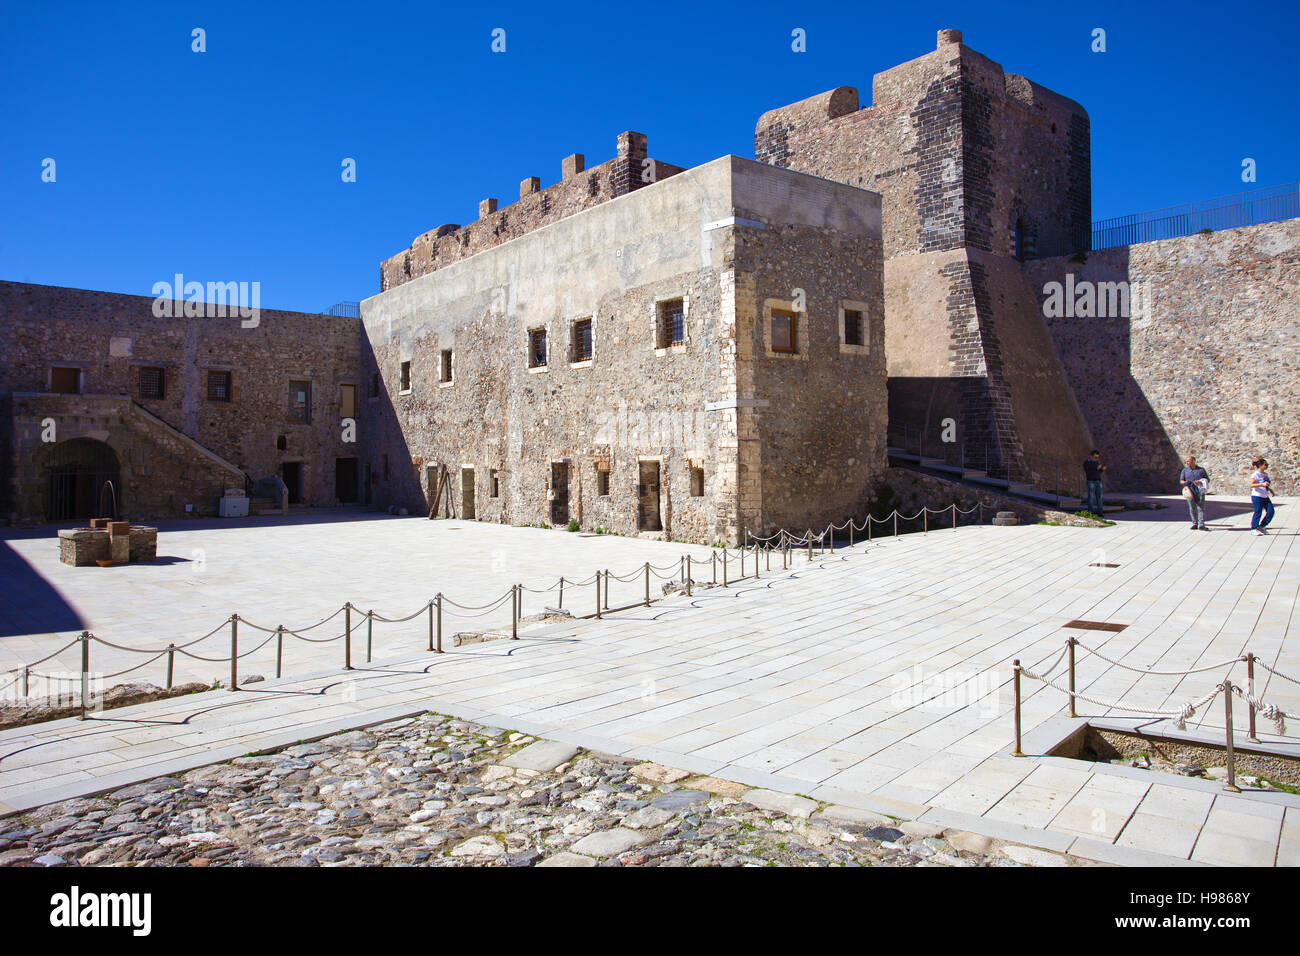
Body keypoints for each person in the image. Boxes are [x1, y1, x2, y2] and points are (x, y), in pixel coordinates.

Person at [1179, 455, 1210, 530]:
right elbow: (1181, 481)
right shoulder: (1185, 470)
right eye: (1186, 461)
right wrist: (1187, 482)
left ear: (1193, 461)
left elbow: (1207, 479)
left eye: (1188, 461)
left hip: (1200, 491)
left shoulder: (1201, 470)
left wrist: (1199, 481)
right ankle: (1195, 523)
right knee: (1192, 508)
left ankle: (1201, 524)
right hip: (1190, 491)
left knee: (1201, 508)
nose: (1187, 463)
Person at [1250, 457, 1275, 535]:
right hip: (1257, 496)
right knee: (1258, 512)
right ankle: (1254, 528)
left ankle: (1262, 526)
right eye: (1265, 464)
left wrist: (1270, 490)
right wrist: (1262, 484)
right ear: (1260, 465)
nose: (1267, 466)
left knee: (1271, 511)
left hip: (1265, 496)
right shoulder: (1255, 474)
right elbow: (1251, 485)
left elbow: (1266, 484)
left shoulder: (1265, 474)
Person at [1082, 450, 1106, 515]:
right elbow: (1088, 470)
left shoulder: (1097, 462)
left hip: (1098, 481)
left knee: (1099, 497)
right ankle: (1090, 512)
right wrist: (1096, 468)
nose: (1096, 459)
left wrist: (1101, 469)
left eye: (1097, 457)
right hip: (1091, 481)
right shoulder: (1087, 462)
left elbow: (1098, 472)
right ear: (1091, 456)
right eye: (1095, 457)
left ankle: (1100, 512)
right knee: (1091, 497)